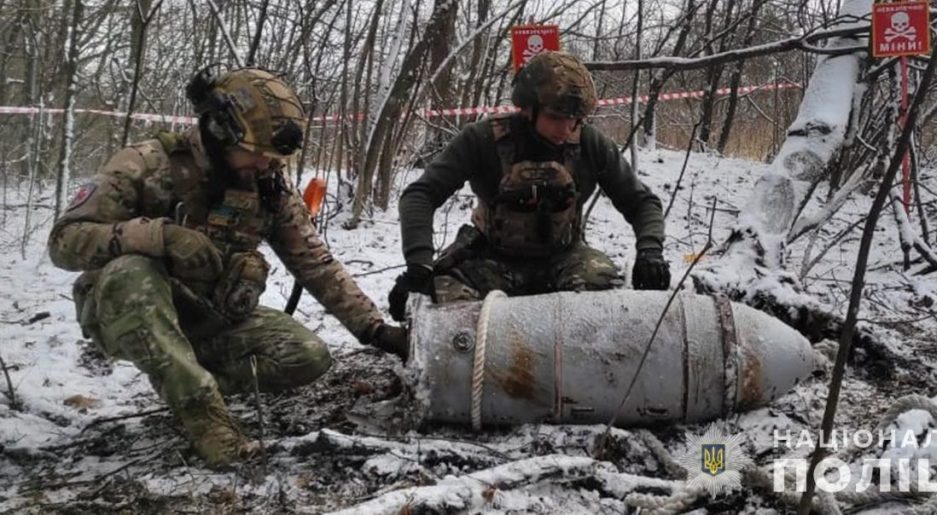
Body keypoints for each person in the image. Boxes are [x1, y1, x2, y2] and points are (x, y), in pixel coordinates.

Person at [48, 67, 407, 468]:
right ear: (221, 131)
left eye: (274, 159)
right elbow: (64, 241)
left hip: (209, 316)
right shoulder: (148, 164)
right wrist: (157, 237)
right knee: (133, 271)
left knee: (308, 355)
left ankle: (181, 377)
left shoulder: (268, 186)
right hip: (125, 310)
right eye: (258, 154)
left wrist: (375, 330)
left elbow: (314, 263)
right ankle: (204, 416)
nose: (267, 166)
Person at [389, 50, 670, 321]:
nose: (566, 128)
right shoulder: (483, 139)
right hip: (490, 258)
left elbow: (641, 202)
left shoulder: (589, 144)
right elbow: (420, 195)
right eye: (555, 117)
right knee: (447, 311)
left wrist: (650, 251)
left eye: (574, 119)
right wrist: (419, 264)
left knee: (604, 304)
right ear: (527, 109)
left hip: (564, 257)